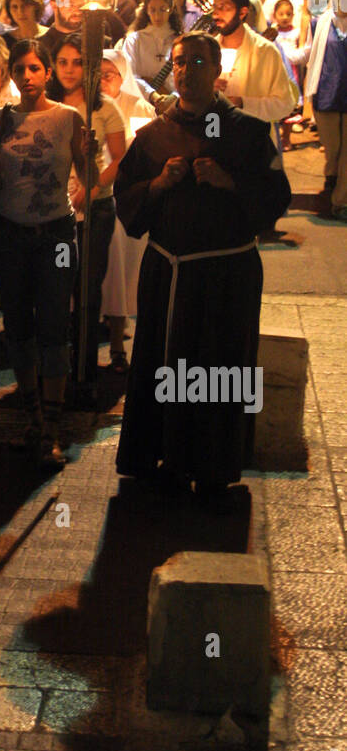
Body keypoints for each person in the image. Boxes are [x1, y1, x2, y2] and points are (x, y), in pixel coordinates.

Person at [114, 32, 291, 504]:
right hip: (168, 272)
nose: (187, 71)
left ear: (217, 71)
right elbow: (126, 198)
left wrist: (228, 181)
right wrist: (157, 184)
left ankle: (214, 465)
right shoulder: (153, 136)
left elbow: (277, 197)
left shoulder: (249, 133)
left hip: (225, 274)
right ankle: (163, 458)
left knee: (220, 368)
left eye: (197, 62)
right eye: (179, 62)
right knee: (163, 365)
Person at [0, 39, 88, 466]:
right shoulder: (0, 120)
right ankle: (31, 419)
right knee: (18, 327)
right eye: (19, 69)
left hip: (56, 237)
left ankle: (53, 427)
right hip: (9, 234)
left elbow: (89, 176)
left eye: (34, 68)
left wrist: (91, 153)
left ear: (47, 73)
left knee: (53, 326)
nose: (26, 76)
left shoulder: (69, 118)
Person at [52, 34, 126, 397]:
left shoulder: (105, 108)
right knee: (58, 283)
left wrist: (91, 190)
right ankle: (56, 364)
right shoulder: (47, 104)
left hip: (95, 208)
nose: (69, 70)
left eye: (77, 62)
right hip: (54, 210)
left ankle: (84, 364)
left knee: (87, 285)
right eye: (62, 62)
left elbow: (119, 158)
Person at [98, 50, 154, 372]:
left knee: (118, 271)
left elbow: (143, 154)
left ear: (122, 76)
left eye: (111, 74)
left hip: (122, 198)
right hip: (90, 193)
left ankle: (118, 339)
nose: (104, 80)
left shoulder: (138, 107)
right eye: (100, 73)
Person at [209, 0, 299, 143]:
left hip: (255, 144)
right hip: (217, 139)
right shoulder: (210, 50)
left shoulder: (265, 51)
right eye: (215, 7)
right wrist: (208, 89)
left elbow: (285, 104)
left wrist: (243, 103)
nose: (217, 14)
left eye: (225, 8)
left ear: (242, 12)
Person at [305, 0, 347, 220]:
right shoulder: (319, 23)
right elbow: (309, 53)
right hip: (326, 96)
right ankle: (333, 181)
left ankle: (340, 201)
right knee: (333, 151)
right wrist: (280, 52)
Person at [122, 0, 183, 100]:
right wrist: (152, 95)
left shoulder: (180, 41)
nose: (157, 16)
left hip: (174, 103)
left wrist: (174, 97)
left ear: (171, 9)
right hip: (142, 102)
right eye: (152, 10)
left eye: (162, 9)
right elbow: (129, 75)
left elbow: (186, 77)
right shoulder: (134, 40)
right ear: (146, 11)